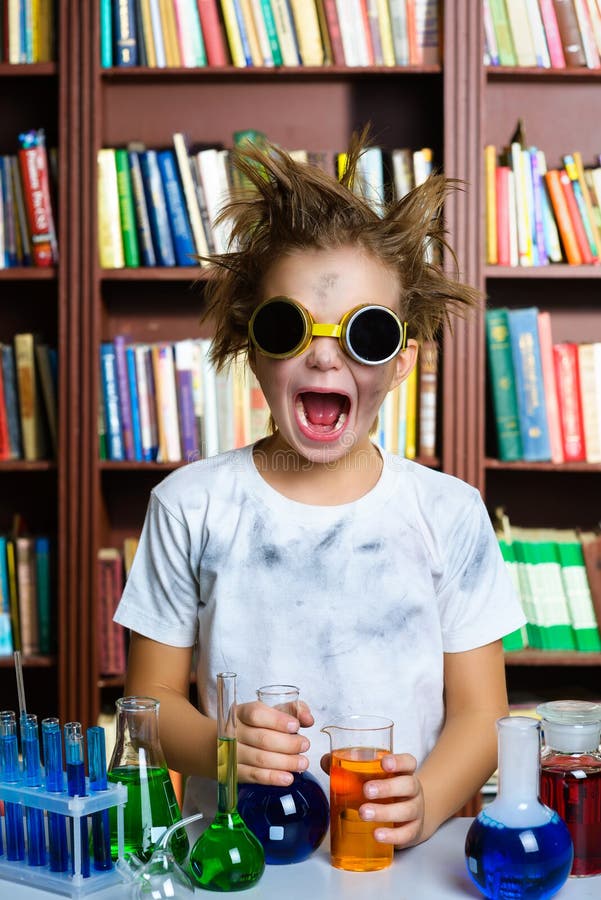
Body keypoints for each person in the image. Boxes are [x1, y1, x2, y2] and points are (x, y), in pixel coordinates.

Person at [114, 133, 526, 849]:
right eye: (288, 325)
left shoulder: (447, 513)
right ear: (252, 343)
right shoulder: (189, 505)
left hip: (396, 866)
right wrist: (222, 748)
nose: (324, 352)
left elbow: (480, 713)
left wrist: (424, 802)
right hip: (240, 862)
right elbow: (144, 705)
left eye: (365, 333)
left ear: (400, 361)